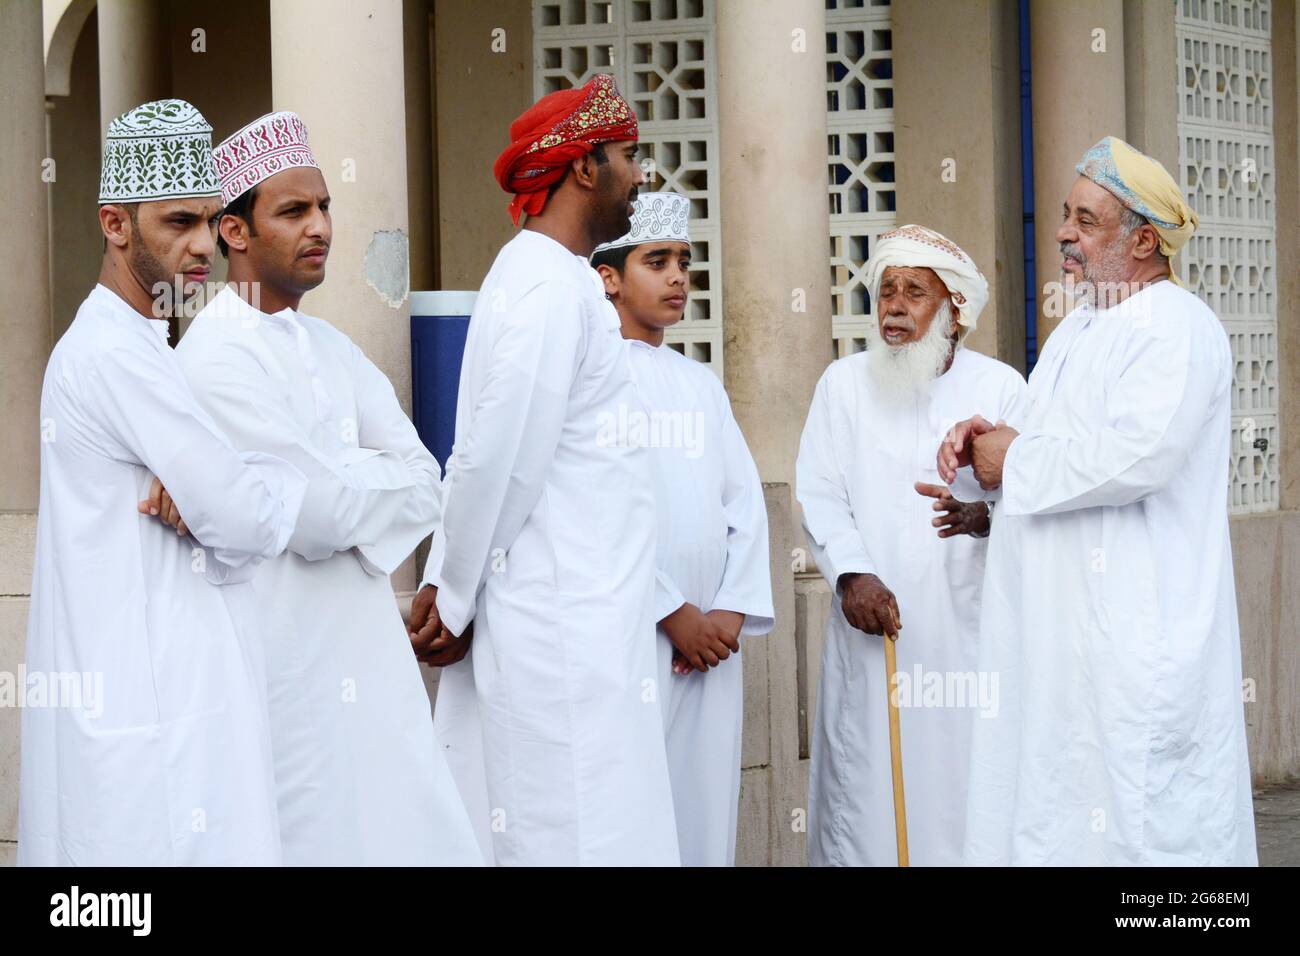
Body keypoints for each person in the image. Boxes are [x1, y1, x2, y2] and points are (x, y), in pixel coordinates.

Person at [175, 111, 480, 865]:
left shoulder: (330, 345)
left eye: (324, 207)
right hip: (285, 668)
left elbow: (424, 480)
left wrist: (340, 487)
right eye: (294, 211)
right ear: (234, 232)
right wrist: (352, 489)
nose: (320, 227)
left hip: (369, 660)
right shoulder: (215, 357)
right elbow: (311, 517)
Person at [943, 136, 1257, 865]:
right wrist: (988, 448)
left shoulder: (1177, 327)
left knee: (1144, 828)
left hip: (1132, 640)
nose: (1061, 234)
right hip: (1058, 641)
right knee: (1057, 812)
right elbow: (1055, 446)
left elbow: (1137, 457)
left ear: (1144, 239)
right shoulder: (1078, 329)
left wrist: (1012, 459)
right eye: (1064, 216)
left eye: (1085, 221)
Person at [19, 100, 307, 866]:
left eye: (212, 222)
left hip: (167, 703)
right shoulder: (115, 354)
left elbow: (225, 507)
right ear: (116, 225)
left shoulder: (141, 344)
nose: (203, 245)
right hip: (151, 725)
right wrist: (261, 478)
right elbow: (246, 522)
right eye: (178, 222)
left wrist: (224, 488)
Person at [407, 74, 679, 865]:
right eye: (628, 156)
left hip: (585, 625)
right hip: (560, 630)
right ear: (584, 168)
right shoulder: (543, 287)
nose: (640, 175)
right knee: (574, 831)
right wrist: (450, 595)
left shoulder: (555, 280)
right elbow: (496, 460)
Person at [797, 225, 1026, 866]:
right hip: (874, 638)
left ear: (955, 310)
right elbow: (819, 495)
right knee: (867, 795)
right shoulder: (842, 386)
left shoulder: (1004, 388)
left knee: (965, 795)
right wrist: (851, 576)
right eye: (886, 291)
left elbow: (1037, 495)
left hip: (968, 643)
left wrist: (984, 518)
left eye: (914, 292)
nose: (894, 305)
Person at [591, 191, 774, 866]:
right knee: (637, 806)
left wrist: (729, 609)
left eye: (684, 262)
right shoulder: (592, 378)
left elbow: (744, 501)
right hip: (640, 633)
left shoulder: (700, 385)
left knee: (703, 805)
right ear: (608, 276)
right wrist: (673, 612)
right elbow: (598, 512)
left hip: (711, 649)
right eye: (656, 260)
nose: (677, 277)